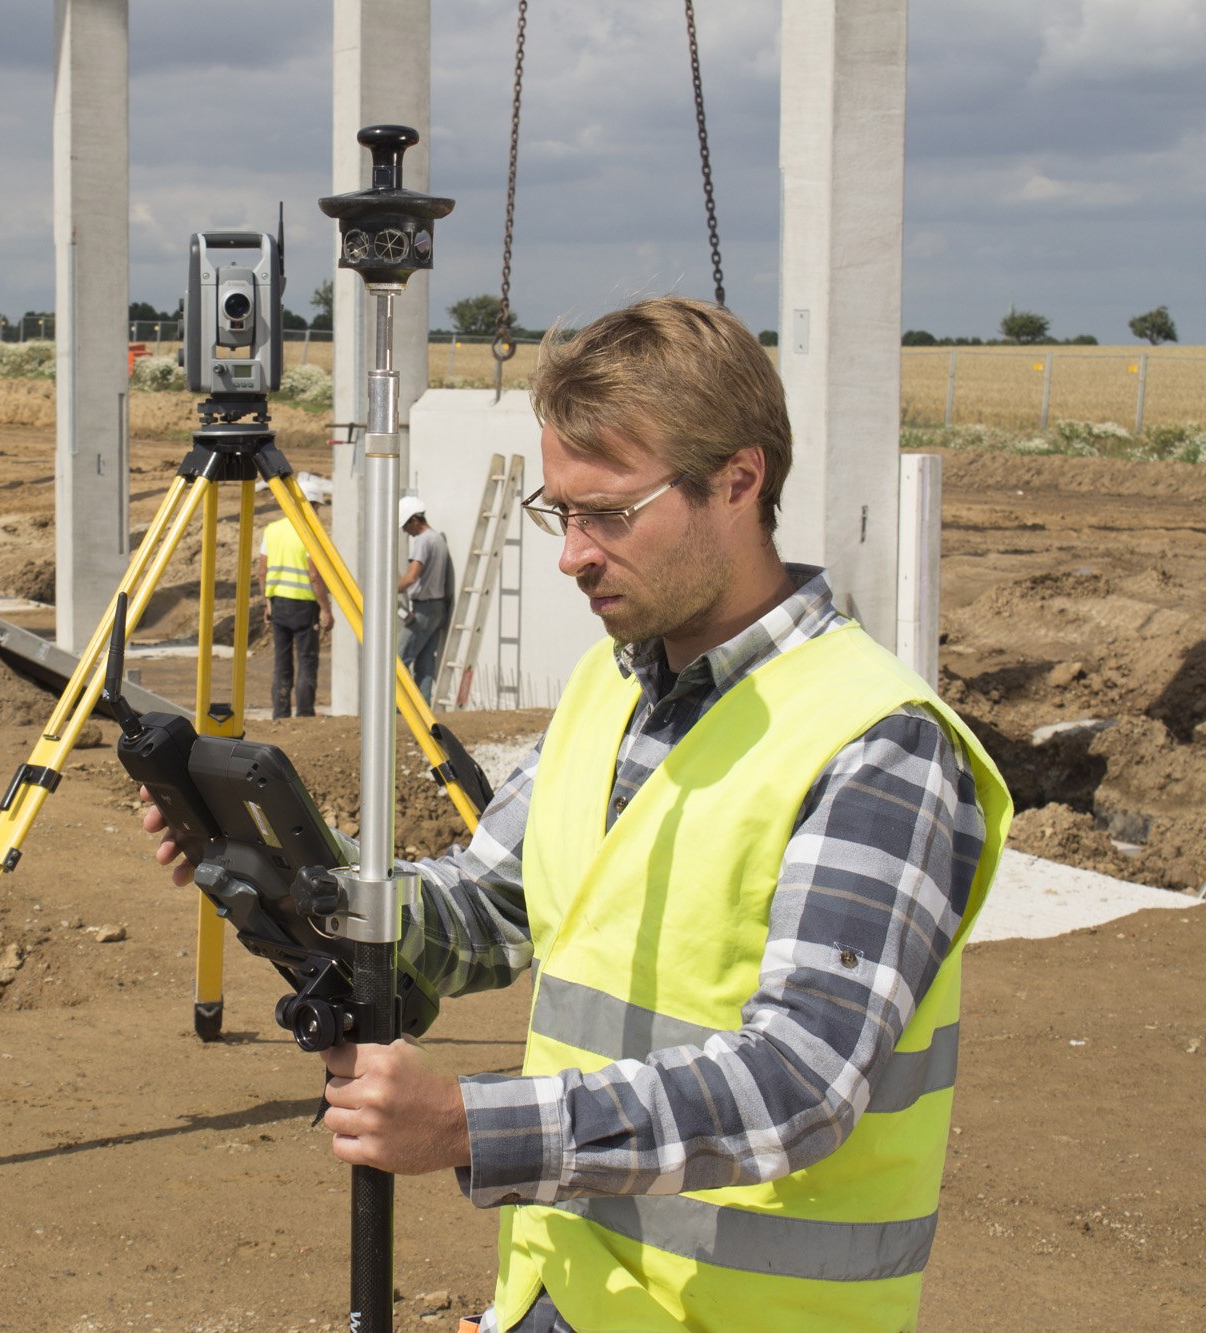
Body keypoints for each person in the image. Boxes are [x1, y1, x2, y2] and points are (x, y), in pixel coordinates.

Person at [146, 296, 1011, 1333]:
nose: (571, 555)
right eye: (561, 513)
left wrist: (471, 1125)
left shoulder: (873, 742)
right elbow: (484, 908)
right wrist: (297, 873)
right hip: (563, 1293)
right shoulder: (613, 688)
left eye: (608, 513)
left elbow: (804, 1081)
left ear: (737, 481)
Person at [255, 514, 333, 718]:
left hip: (278, 605)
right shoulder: (308, 530)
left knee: (282, 661)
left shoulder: (272, 529)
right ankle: (305, 714)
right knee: (306, 660)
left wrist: (267, 604)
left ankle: (280, 713)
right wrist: (325, 608)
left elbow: (262, 572)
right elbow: (314, 575)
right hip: (304, 605)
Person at [397, 496, 453, 696]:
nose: (404, 531)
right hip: (438, 609)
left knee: (398, 661)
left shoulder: (422, 541)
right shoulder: (438, 539)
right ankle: (424, 715)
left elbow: (411, 577)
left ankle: (396, 713)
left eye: (405, 525)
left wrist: (389, 590)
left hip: (424, 609)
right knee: (425, 665)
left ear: (414, 520)